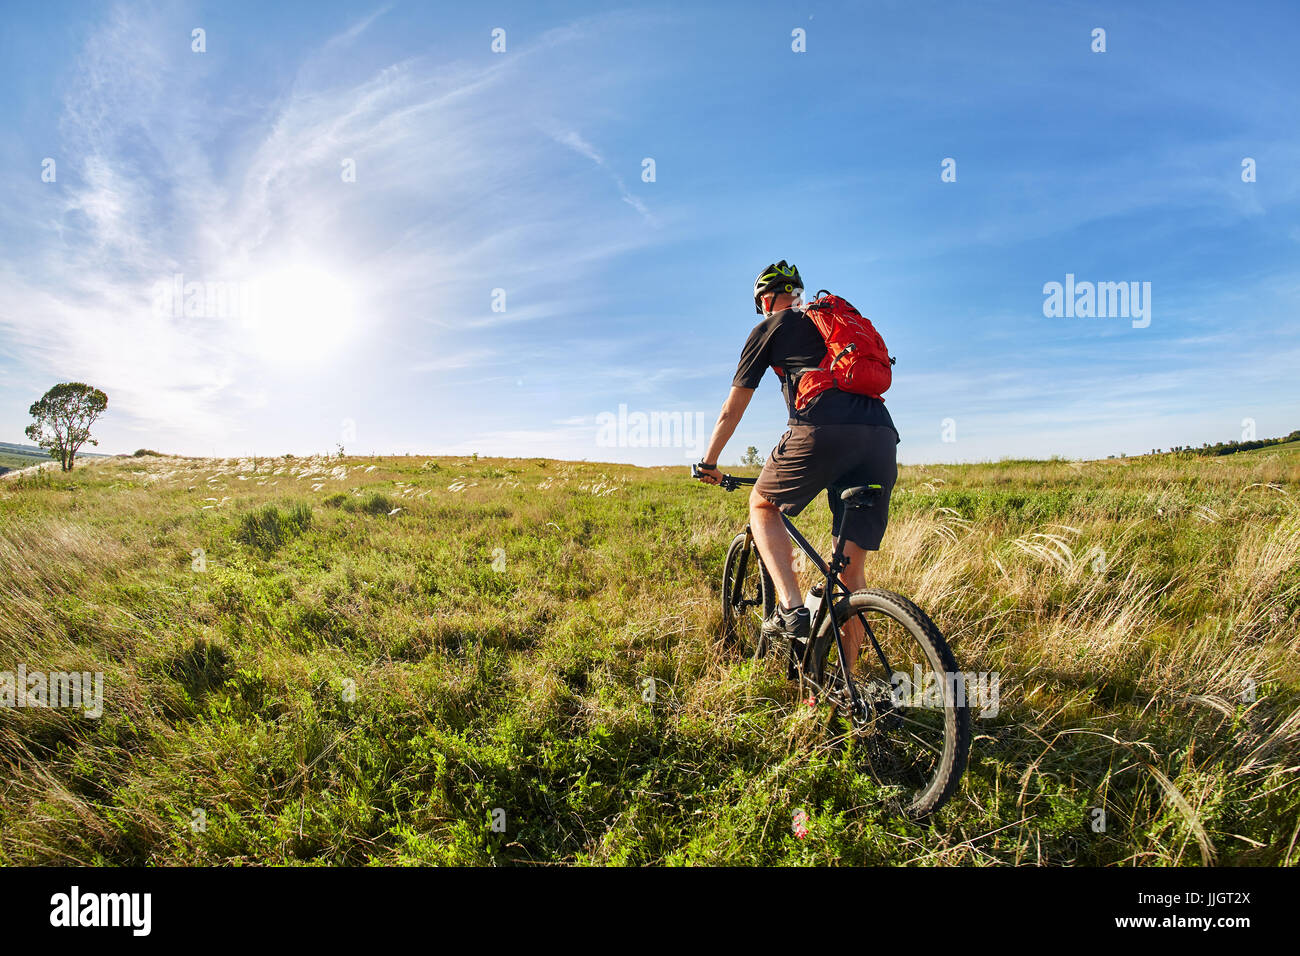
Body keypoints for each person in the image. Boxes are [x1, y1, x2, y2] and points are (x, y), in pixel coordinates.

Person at [695, 260, 899, 672]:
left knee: (762, 505)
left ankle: (790, 610)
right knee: (850, 573)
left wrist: (710, 461)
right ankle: (843, 682)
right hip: (880, 434)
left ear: (766, 300)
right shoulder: (834, 321)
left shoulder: (770, 326)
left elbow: (732, 409)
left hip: (822, 429)